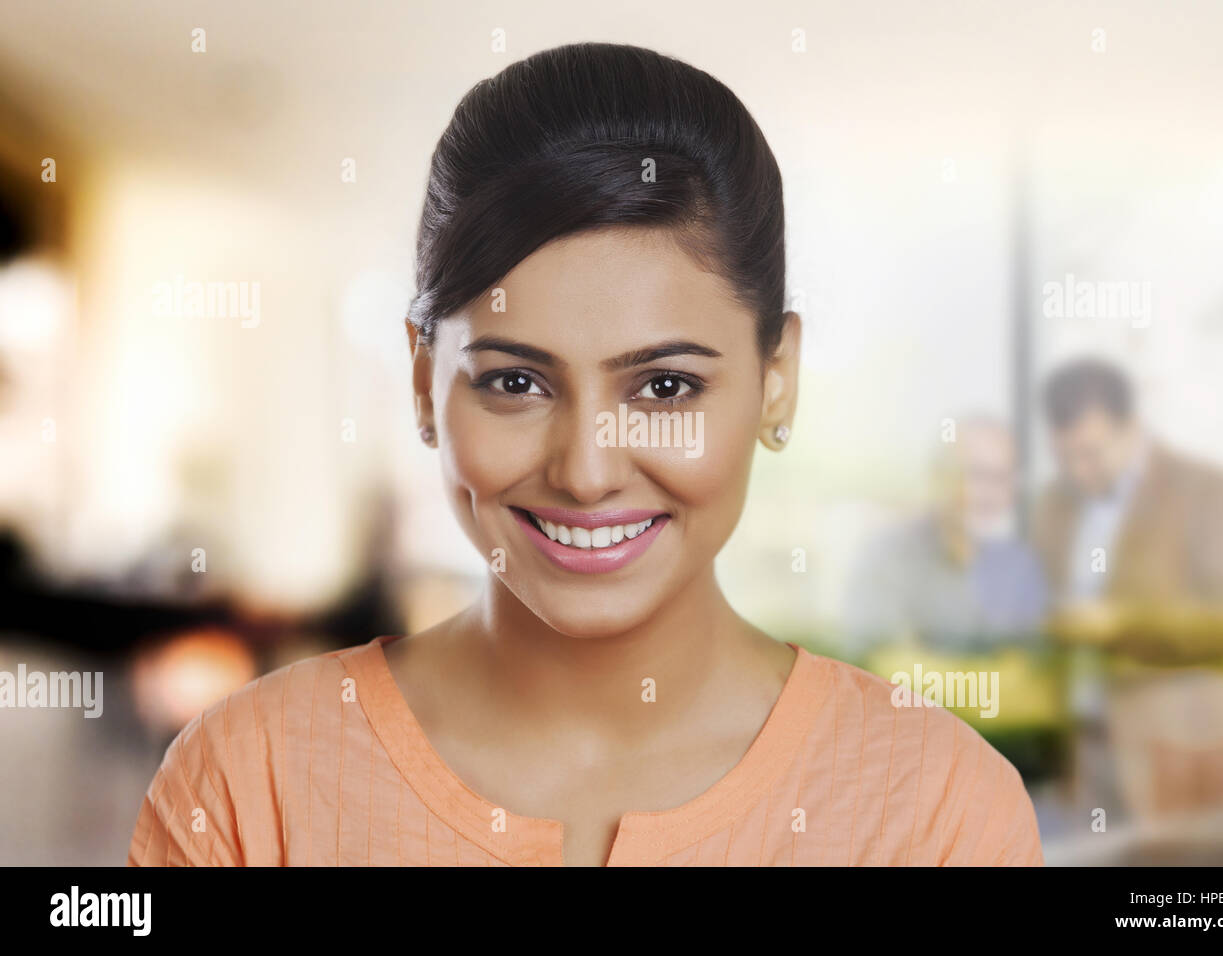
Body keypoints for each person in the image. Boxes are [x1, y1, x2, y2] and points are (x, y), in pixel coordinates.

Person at [127, 42, 1042, 867]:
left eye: (665, 388)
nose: (588, 471)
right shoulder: (248, 787)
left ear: (776, 379)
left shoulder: (937, 813)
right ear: (421, 381)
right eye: (516, 384)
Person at [1033, 357, 1223, 819]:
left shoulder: (1213, 493)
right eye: (1065, 457)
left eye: (1092, 452)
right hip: (1082, 749)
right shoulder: (1053, 504)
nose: (1080, 471)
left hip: (1183, 751)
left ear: (1133, 428)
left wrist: (1122, 623)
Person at [845, 416, 1048, 655]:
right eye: (977, 475)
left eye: (1002, 479)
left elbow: (1034, 667)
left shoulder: (1019, 566)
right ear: (939, 477)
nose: (989, 494)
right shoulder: (886, 555)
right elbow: (880, 662)